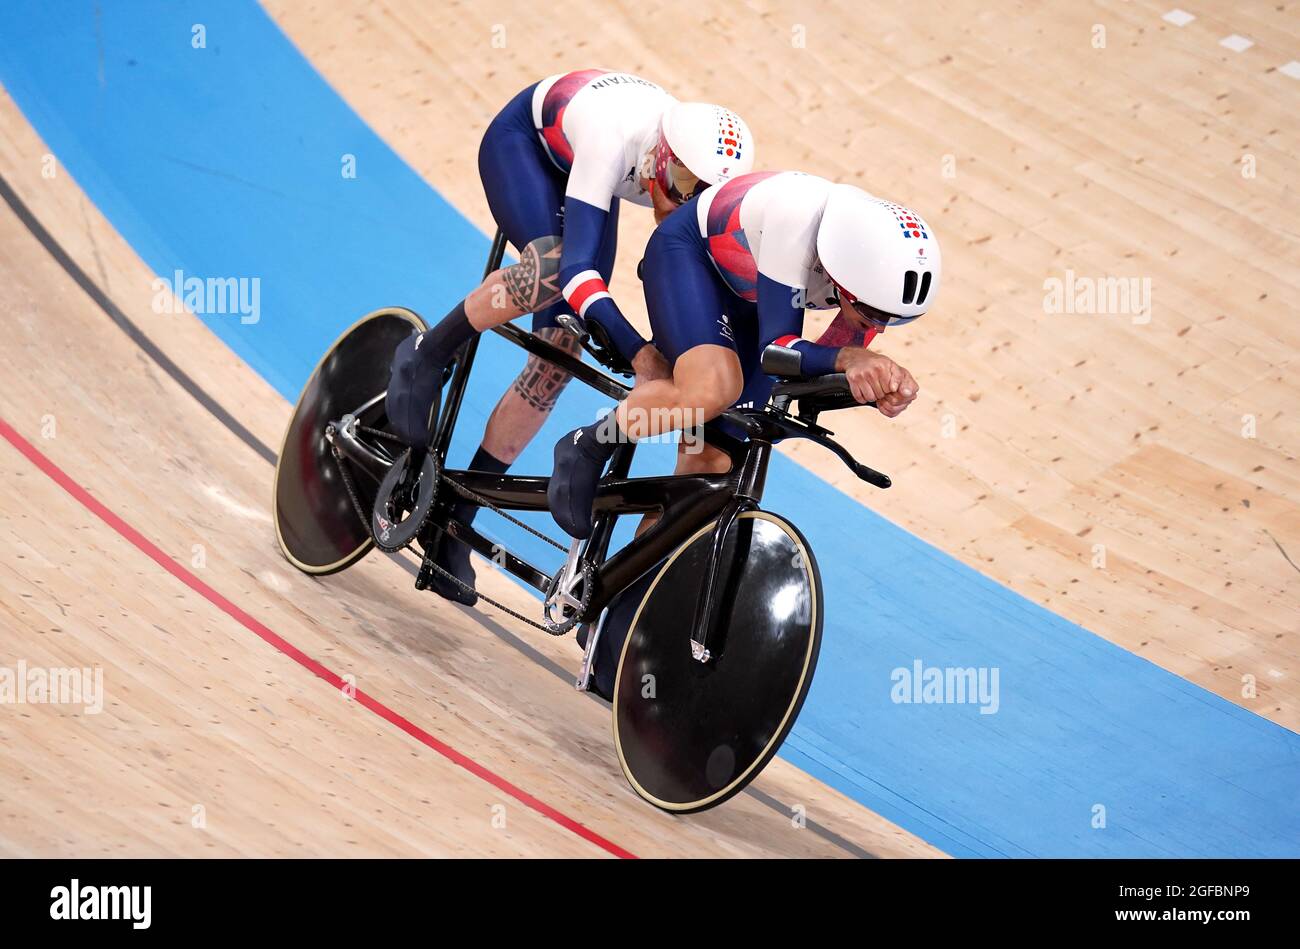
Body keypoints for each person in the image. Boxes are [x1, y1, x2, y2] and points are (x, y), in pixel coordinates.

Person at [385, 69, 755, 603]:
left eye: (700, 198)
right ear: (659, 156)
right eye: (678, 188)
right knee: (552, 270)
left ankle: (452, 522)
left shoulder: (677, 167)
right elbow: (580, 271)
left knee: (556, 360)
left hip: (584, 177)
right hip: (528, 149)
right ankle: (426, 354)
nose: (682, 205)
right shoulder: (616, 136)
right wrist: (636, 350)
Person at [548, 171, 941, 539]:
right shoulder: (799, 220)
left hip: (755, 294)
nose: (882, 326)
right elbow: (778, 349)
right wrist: (850, 360)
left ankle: (634, 595)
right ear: (845, 277)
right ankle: (588, 444)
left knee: (712, 470)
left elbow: (809, 373)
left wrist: (871, 386)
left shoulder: (873, 281)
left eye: (897, 319)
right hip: (690, 257)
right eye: (875, 314)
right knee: (712, 389)